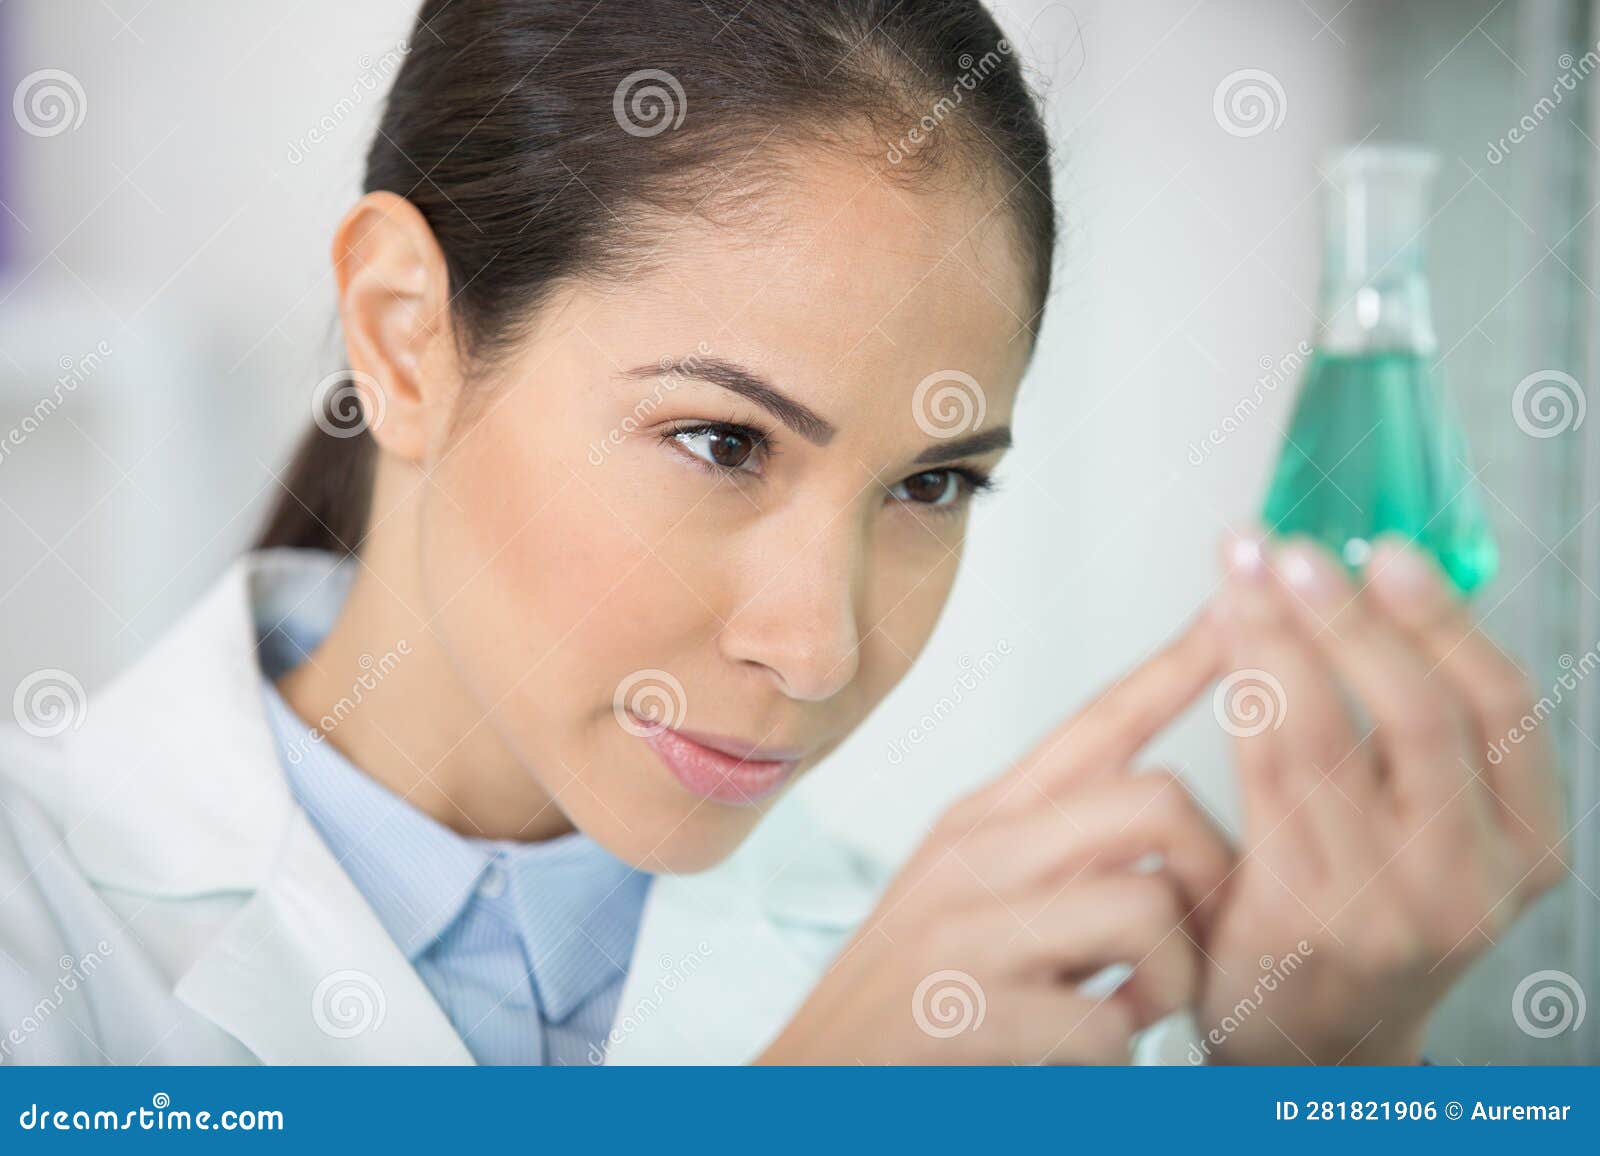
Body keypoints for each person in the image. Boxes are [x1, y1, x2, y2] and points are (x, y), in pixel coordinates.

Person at [0, 0, 1564, 1066]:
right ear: (406, 338)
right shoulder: (41, 921)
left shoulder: (1011, 1018)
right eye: (721, 442)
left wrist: (1314, 1069)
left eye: (931, 485)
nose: (818, 648)